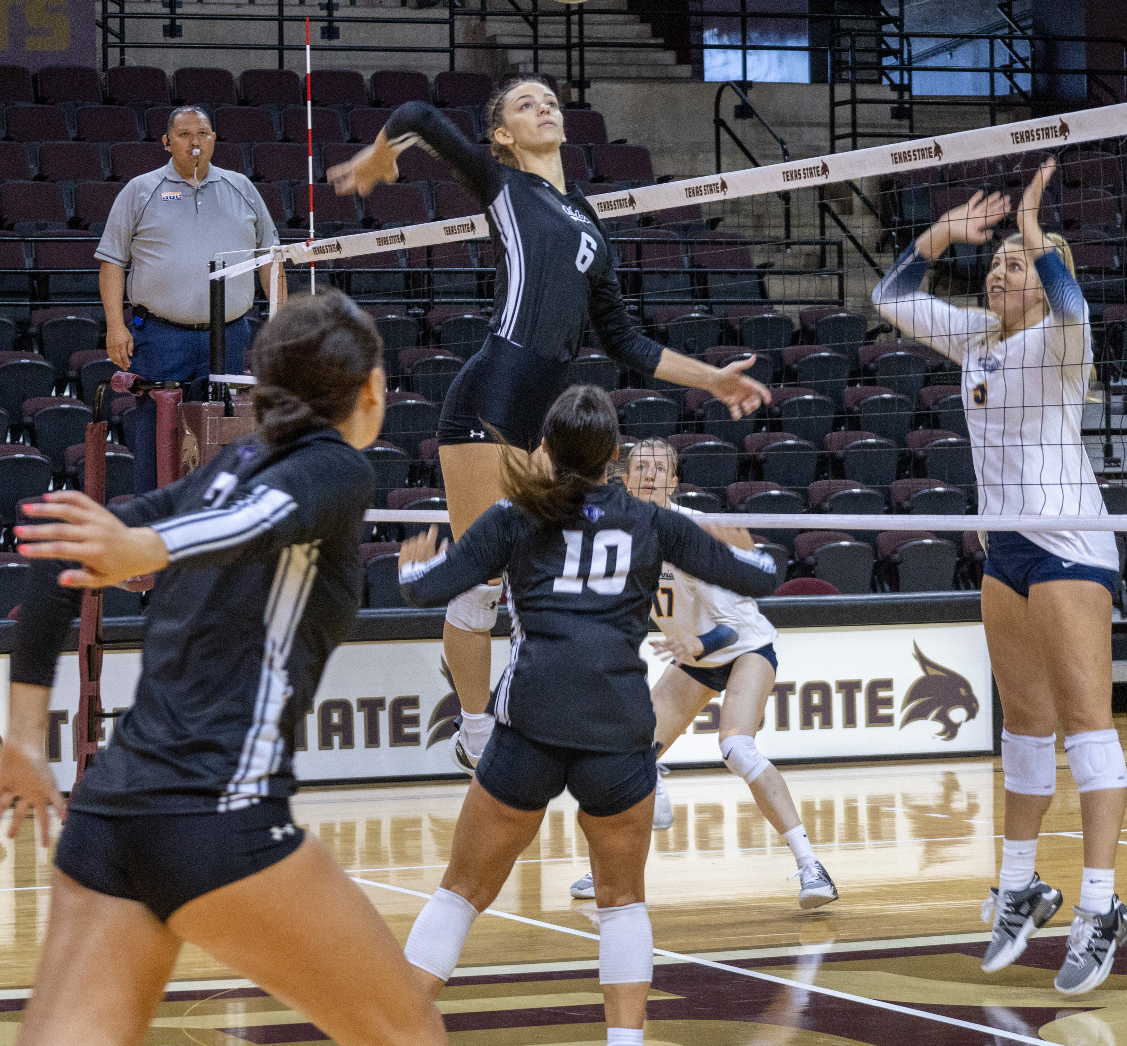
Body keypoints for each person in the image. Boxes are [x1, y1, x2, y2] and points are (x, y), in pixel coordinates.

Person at [0, 289, 446, 1046]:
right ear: (373, 391)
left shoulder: (228, 469)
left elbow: (65, 544)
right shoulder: (335, 466)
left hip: (110, 817)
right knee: (409, 1035)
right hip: (217, 817)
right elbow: (256, 520)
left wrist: (26, 737)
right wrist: (145, 550)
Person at [328, 79, 770, 773]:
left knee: (541, 582)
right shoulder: (501, 184)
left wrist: (711, 378)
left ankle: (534, 725)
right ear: (501, 135)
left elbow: (624, 339)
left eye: (550, 99)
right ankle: (476, 734)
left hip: (543, 423)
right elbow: (416, 115)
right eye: (524, 104)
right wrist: (381, 156)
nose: (545, 107)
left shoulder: (587, 218)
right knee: (478, 581)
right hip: (488, 402)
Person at [394, 385, 780, 1046]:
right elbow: (759, 577)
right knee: (622, 900)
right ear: (615, 457)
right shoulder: (652, 520)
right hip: (616, 724)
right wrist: (755, 554)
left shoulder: (514, 514)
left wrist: (409, 571)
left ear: (545, 449)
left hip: (533, 720)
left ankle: (390, 1026)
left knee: (460, 890)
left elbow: (426, 588)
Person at [871, 157, 1127, 996]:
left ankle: (1100, 906)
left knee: (1087, 730)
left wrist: (1032, 231)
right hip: (1007, 551)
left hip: (1070, 545)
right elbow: (889, 299)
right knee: (1023, 732)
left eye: (1011, 266)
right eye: (994, 267)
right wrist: (939, 237)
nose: (997, 274)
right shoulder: (976, 343)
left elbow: (1074, 302)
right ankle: (1021, 885)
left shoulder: (1059, 340)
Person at [562, 438, 838, 910]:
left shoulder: (688, 532)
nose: (650, 476)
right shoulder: (618, 534)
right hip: (692, 657)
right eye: (641, 468)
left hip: (742, 645)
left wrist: (695, 644)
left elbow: (731, 628)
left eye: (661, 469)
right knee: (623, 752)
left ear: (673, 481)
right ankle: (609, 868)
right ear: (624, 479)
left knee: (736, 745)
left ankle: (812, 868)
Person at [97, 103, 284, 494]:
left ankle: (215, 523)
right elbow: (112, 262)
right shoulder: (140, 190)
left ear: (214, 139)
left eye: (202, 133)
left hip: (230, 333)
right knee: (157, 429)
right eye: (184, 135)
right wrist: (115, 325)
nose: (194, 142)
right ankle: (153, 522)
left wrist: (282, 320)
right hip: (162, 335)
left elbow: (271, 259)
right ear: (167, 142)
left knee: (223, 427)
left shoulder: (242, 189)